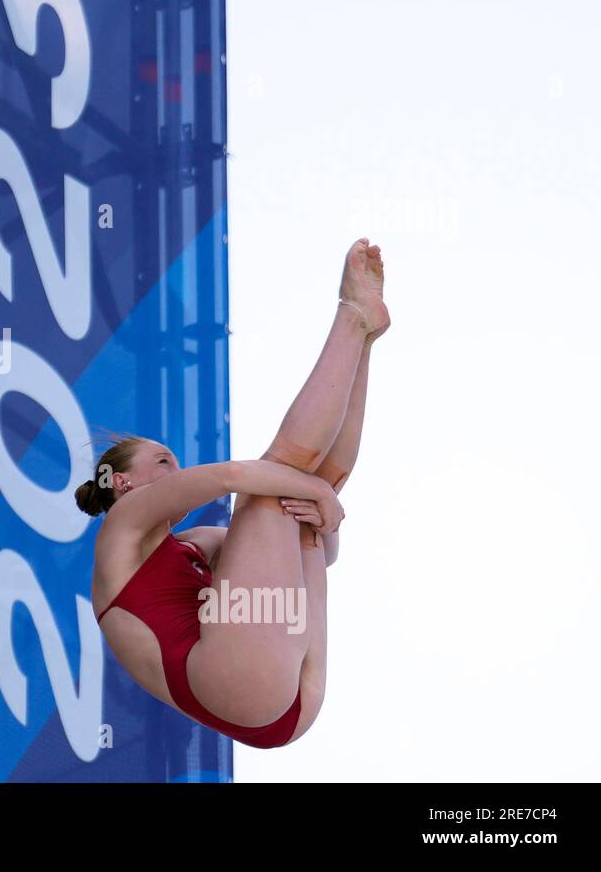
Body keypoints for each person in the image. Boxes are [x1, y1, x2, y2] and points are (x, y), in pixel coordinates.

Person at [75, 238, 389, 748]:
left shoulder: (196, 543)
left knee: (296, 504)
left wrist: (327, 516)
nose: (177, 470)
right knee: (272, 487)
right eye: (162, 462)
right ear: (123, 481)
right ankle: (352, 315)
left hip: (284, 700)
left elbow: (318, 552)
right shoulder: (123, 525)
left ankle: (364, 338)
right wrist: (324, 502)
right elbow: (233, 477)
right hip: (246, 683)